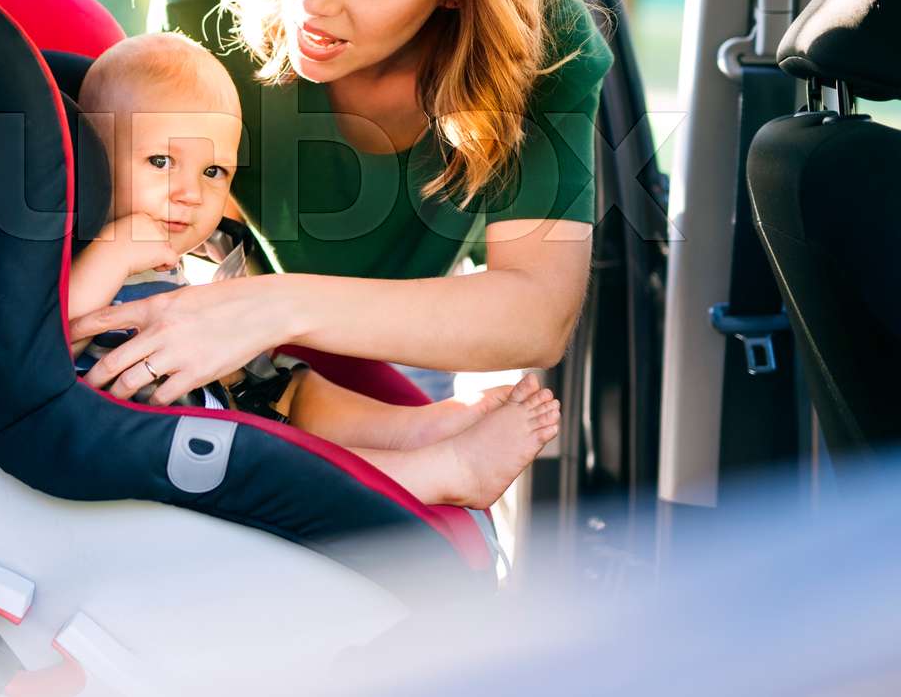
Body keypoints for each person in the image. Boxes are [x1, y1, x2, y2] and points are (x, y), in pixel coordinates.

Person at [70, 0, 614, 416]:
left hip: (412, 325)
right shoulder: (203, 0)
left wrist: (276, 308)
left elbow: (535, 312)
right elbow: (171, 219)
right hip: (238, 310)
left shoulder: (548, 45)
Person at [68, 32, 561, 508]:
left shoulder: (196, 253)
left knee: (291, 385)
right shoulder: (79, 250)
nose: (190, 193)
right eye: (161, 161)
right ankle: (445, 471)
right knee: (270, 456)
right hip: (170, 447)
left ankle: (420, 429)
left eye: (213, 172)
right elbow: (44, 344)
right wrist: (113, 252)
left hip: (222, 405)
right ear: (93, 157)